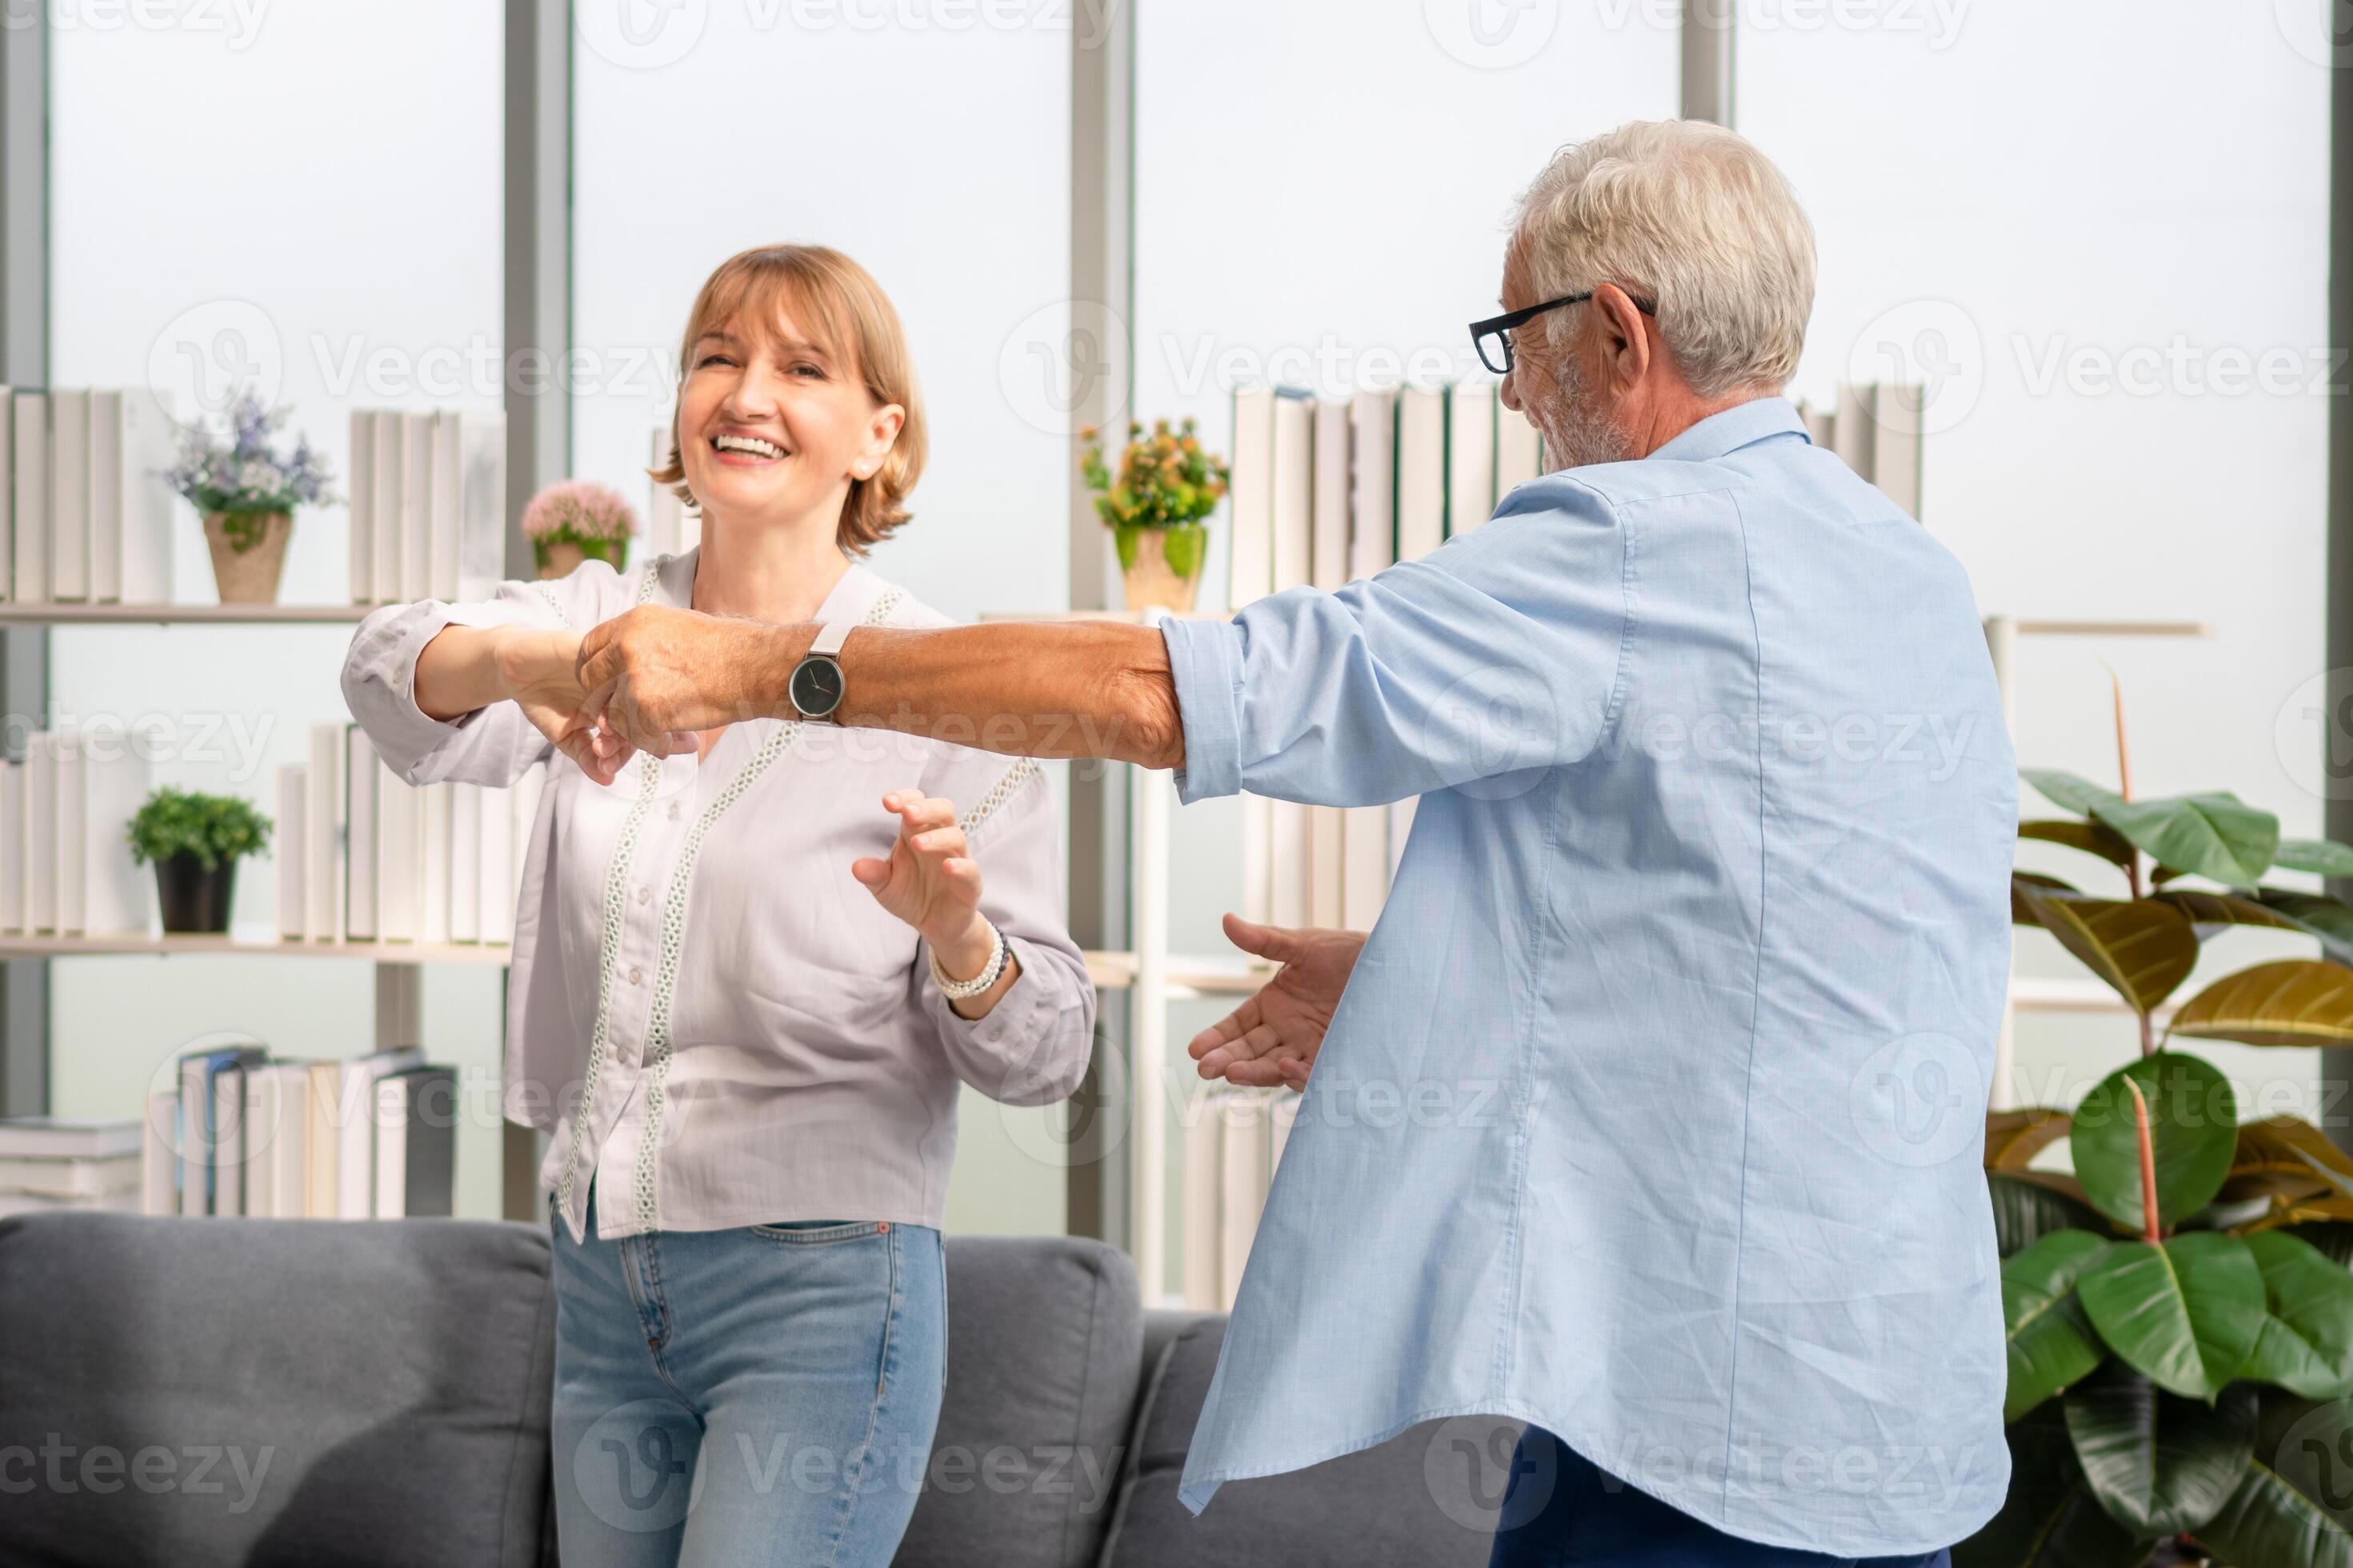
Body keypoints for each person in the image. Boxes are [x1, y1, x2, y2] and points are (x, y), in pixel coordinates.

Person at [564, 122, 2014, 1566]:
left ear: (1619, 335)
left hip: (1690, 1435)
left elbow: (1174, 691)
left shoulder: (1631, 543)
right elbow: (1796, 943)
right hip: (1889, 1430)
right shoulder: (1906, 576)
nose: (1511, 394)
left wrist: (767, 673)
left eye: (1516, 340)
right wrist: (1418, 981)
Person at [340, 243, 1096, 1567]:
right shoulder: (596, 616)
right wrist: (550, 662)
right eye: (717, 358)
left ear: (879, 435)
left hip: (821, 1292)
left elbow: (1050, 1055)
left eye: (803, 368)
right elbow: (383, 674)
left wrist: (959, 937)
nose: (747, 393)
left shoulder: (940, 688)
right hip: (598, 1278)